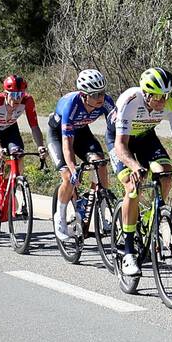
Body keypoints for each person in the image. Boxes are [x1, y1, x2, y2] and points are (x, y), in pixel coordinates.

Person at [108, 66, 172, 275]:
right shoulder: (130, 101)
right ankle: (130, 251)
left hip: (146, 137)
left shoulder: (171, 101)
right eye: (157, 97)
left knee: (166, 173)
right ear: (146, 93)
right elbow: (121, 146)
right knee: (133, 186)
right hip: (121, 141)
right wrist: (135, 166)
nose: (162, 101)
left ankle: (155, 215)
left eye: (165, 95)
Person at [46, 69, 116, 243]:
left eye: (102, 92)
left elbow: (117, 129)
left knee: (100, 163)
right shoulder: (71, 105)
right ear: (84, 95)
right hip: (58, 136)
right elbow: (67, 145)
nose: (101, 97)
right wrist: (72, 167)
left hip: (82, 133)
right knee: (69, 176)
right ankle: (60, 217)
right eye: (95, 94)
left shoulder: (106, 102)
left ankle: (102, 211)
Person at [0, 75, 46, 233]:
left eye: (20, 95)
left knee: (19, 155)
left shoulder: (28, 101)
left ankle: (12, 187)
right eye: (14, 95)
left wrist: (40, 146)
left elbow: (34, 127)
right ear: (5, 93)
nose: (17, 99)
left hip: (10, 129)